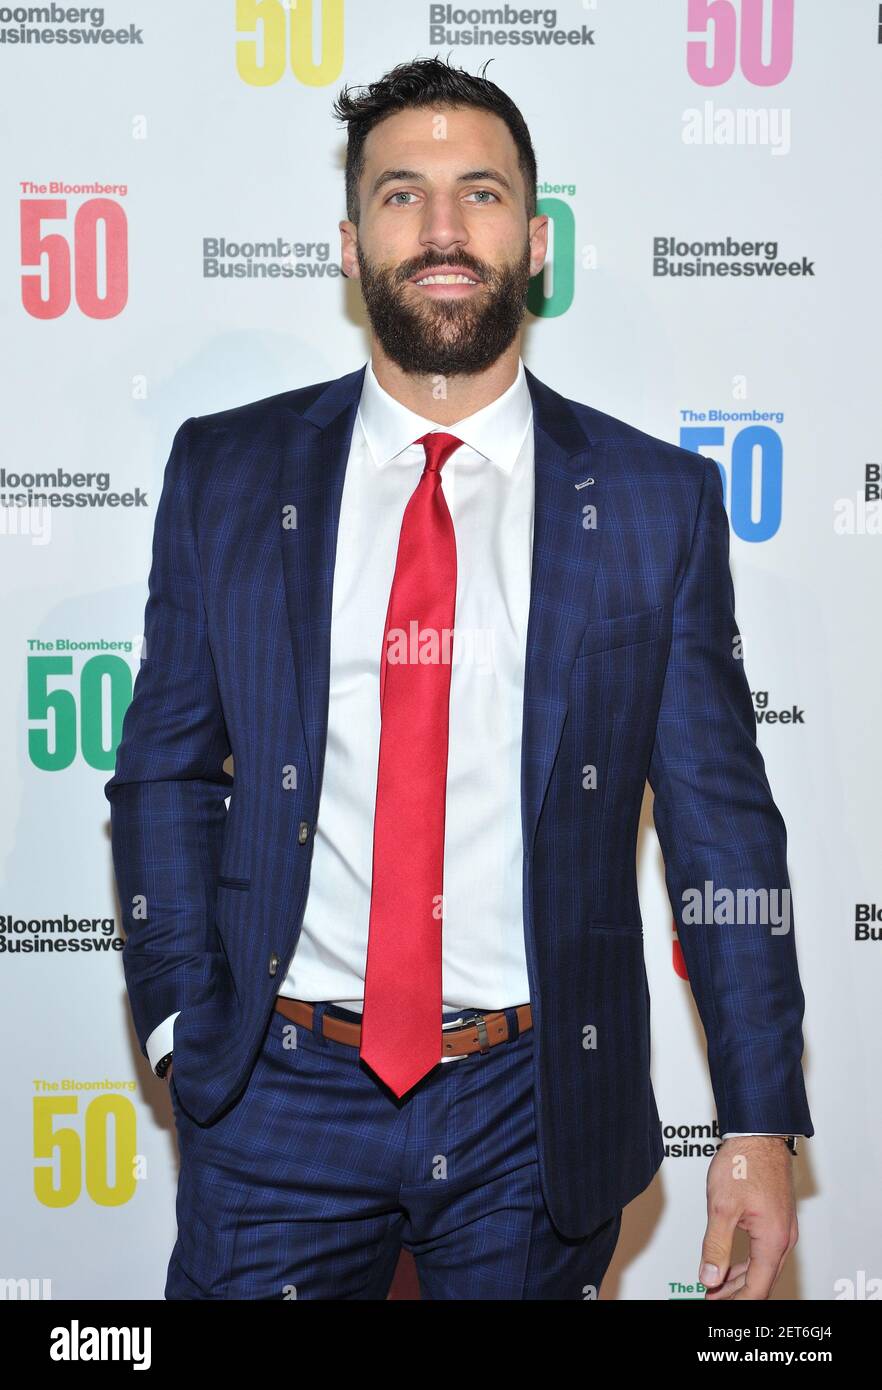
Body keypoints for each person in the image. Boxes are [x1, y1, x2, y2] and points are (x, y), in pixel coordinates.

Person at [105, 55, 813, 1301]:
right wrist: (178, 1021)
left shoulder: (658, 503)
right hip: (276, 1099)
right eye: (401, 196)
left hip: (530, 1107)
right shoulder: (226, 470)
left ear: (536, 239)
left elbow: (724, 837)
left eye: (479, 194)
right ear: (349, 243)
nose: (442, 230)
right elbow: (162, 767)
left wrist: (757, 1119)